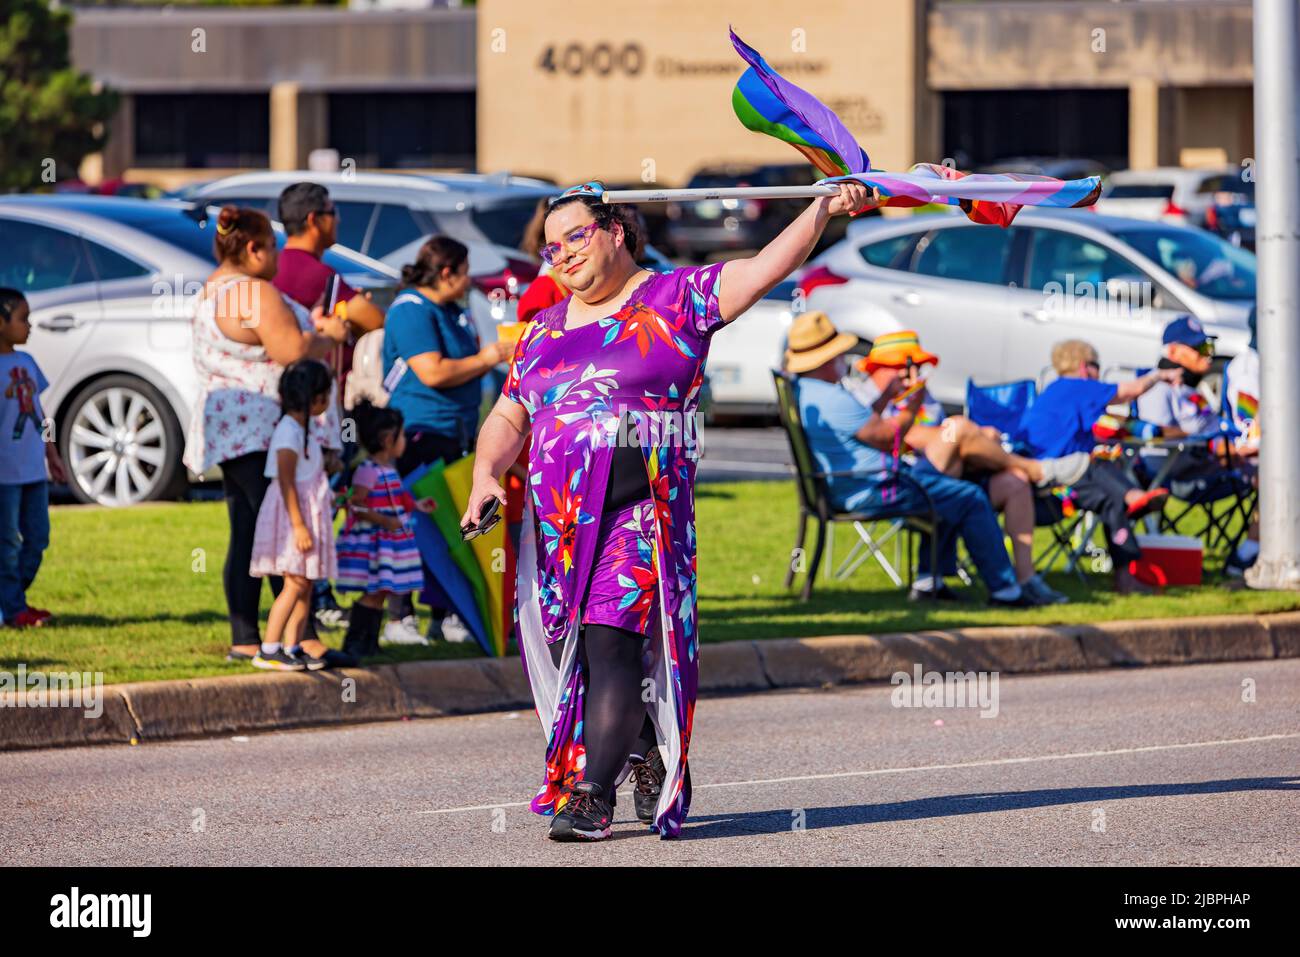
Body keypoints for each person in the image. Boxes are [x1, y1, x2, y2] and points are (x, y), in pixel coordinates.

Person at [461, 177, 884, 842]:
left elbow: (764, 267)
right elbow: (512, 413)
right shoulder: (540, 330)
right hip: (557, 527)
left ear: (616, 231)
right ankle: (642, 751)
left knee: (612, 639)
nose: (563, 255)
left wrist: (820, 209)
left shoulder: (674, 298)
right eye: (550, 248)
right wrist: (487, 471)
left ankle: (592, 793)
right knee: (582, 656)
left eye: (575, 237)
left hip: (639, 516)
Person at [788, 313, 1085, 610]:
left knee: (959, 485)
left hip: (863, 482)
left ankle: (931, 582)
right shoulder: (834, 398)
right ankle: (1005, 590)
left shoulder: (811, 393)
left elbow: (872, 431)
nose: (844, 357)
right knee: (969, 497)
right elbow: (887, 437)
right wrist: (910, 407)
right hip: (876, 488)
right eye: (839, 353)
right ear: (827, 360)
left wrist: (893, 401)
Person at [182, 206, 349, 663]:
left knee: (249, 533)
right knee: (282, 537)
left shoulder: (213, 288)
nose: (277, 256)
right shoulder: (251, 292)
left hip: (232, 432)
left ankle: (247, 638)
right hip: (260, 430)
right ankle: (298, 639)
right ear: (253, 249)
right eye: (272, 247)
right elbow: (291, 350)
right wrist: (329, 334)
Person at [383, 236, 511, 644]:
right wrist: (489, 357)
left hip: (456, 431)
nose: (469, 279)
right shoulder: (411, 310)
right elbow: (433, 372)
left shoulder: (453, 310)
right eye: (464, 270)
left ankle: (446, 614)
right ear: (445, 272)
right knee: (412, 525)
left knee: (448, 526)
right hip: (421, 431)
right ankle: (399, 617)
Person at [274, 182, 386, 632]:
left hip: (282, 407)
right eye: (334, 212)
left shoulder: (274, 268)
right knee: (320, 500)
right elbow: (374, 319)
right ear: (316, 219)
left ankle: (300, 599)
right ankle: (316, 596)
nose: (339, 220)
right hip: (320, 411)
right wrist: (341, 324)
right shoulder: (321, 276)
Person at [1019, 339, 1181, 594]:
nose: (1098, 373)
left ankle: (1125, 579)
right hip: (1048, 486)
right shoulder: (1078, 387)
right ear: (1084, 367)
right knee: (1097, 463)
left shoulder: (1056, 391)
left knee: (1109, 500)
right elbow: (1132, 390)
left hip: (1056, 487)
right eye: (1097, 366)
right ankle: (1134, 497)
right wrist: (1161, 375)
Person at [248, 360, 346, 671]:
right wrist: (299, 525)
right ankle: (269, 647)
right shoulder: (288, 433)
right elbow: (287, 481)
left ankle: (293, 645)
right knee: (293, 584)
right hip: (294, 519)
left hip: (306, 515)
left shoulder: (304, 431)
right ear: (313, 398)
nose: (329, 401)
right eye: (327, 394)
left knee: (305, 583)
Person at [336, 401, 428, 658]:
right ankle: (355, 642)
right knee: (374, 592)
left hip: (389, 543)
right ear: (388, 439)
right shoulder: (368, 471)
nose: (405, 441)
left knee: (382, 591)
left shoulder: (387, 470)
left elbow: (395, 498)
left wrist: (416, 505)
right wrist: (384, 521)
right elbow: (357, 505)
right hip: (376, 543)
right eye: (401, 435)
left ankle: (369, 643)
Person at [0, 289, 67, 628]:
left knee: (37, 537)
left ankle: (12, 601)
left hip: (32, 473)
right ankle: (13, 610)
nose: (29, 326)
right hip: (5, 477)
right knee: (8, 543)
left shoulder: (26, 363)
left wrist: (52, 453)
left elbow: (41, 414)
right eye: (23, 319)